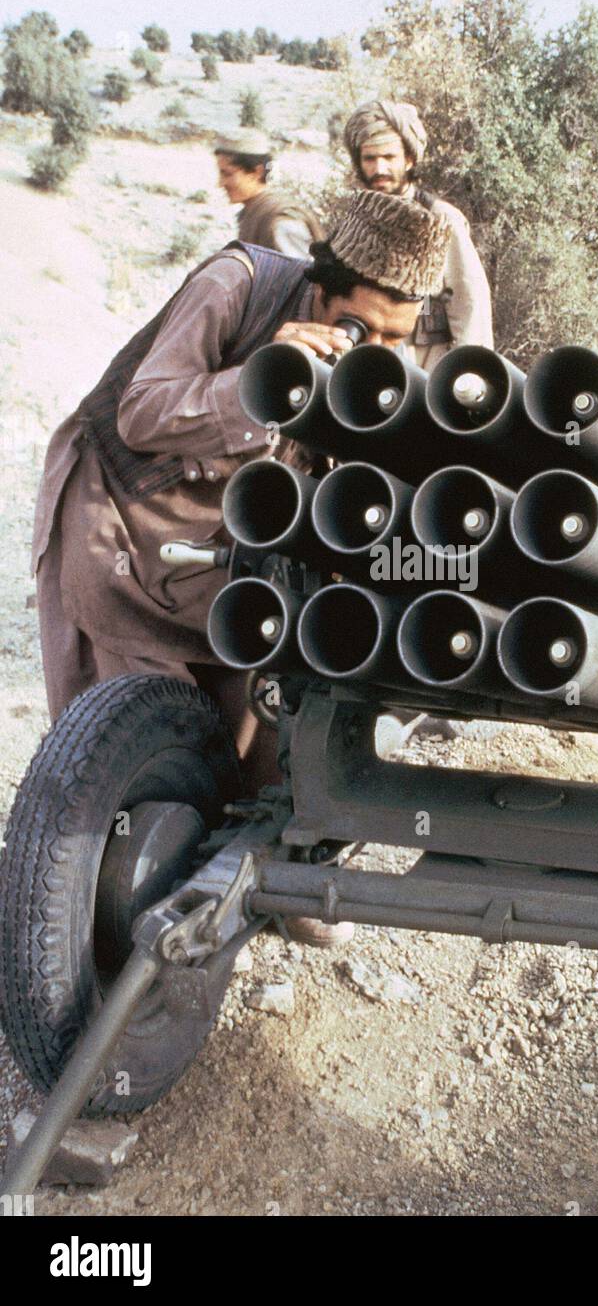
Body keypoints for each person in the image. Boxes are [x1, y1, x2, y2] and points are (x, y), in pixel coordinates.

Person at [32, 190, 451, 946]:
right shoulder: (237, 284)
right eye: (359, 330)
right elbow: (144, 413)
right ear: (321, 290)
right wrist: (266, 376)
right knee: (130, 736)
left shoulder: (383, 357)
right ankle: (88, 933)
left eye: (396, 339)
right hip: (124, 516)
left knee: (255, 706)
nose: (376, 355)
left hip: (228, 537)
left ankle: (267, 886)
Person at [343, 99, 493, 370]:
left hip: (428, 365)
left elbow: (469, 302)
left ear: (409, 160)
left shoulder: (440, 218)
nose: (379, 169)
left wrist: (465, 374)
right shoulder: (356, 217)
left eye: (389, 158)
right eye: (370, 159)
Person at [214, 129, 324, 258]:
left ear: (257, 172)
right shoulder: (253, 212)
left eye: (227, 174)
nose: (220, 183)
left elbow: (300, 274)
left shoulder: (281, 221)